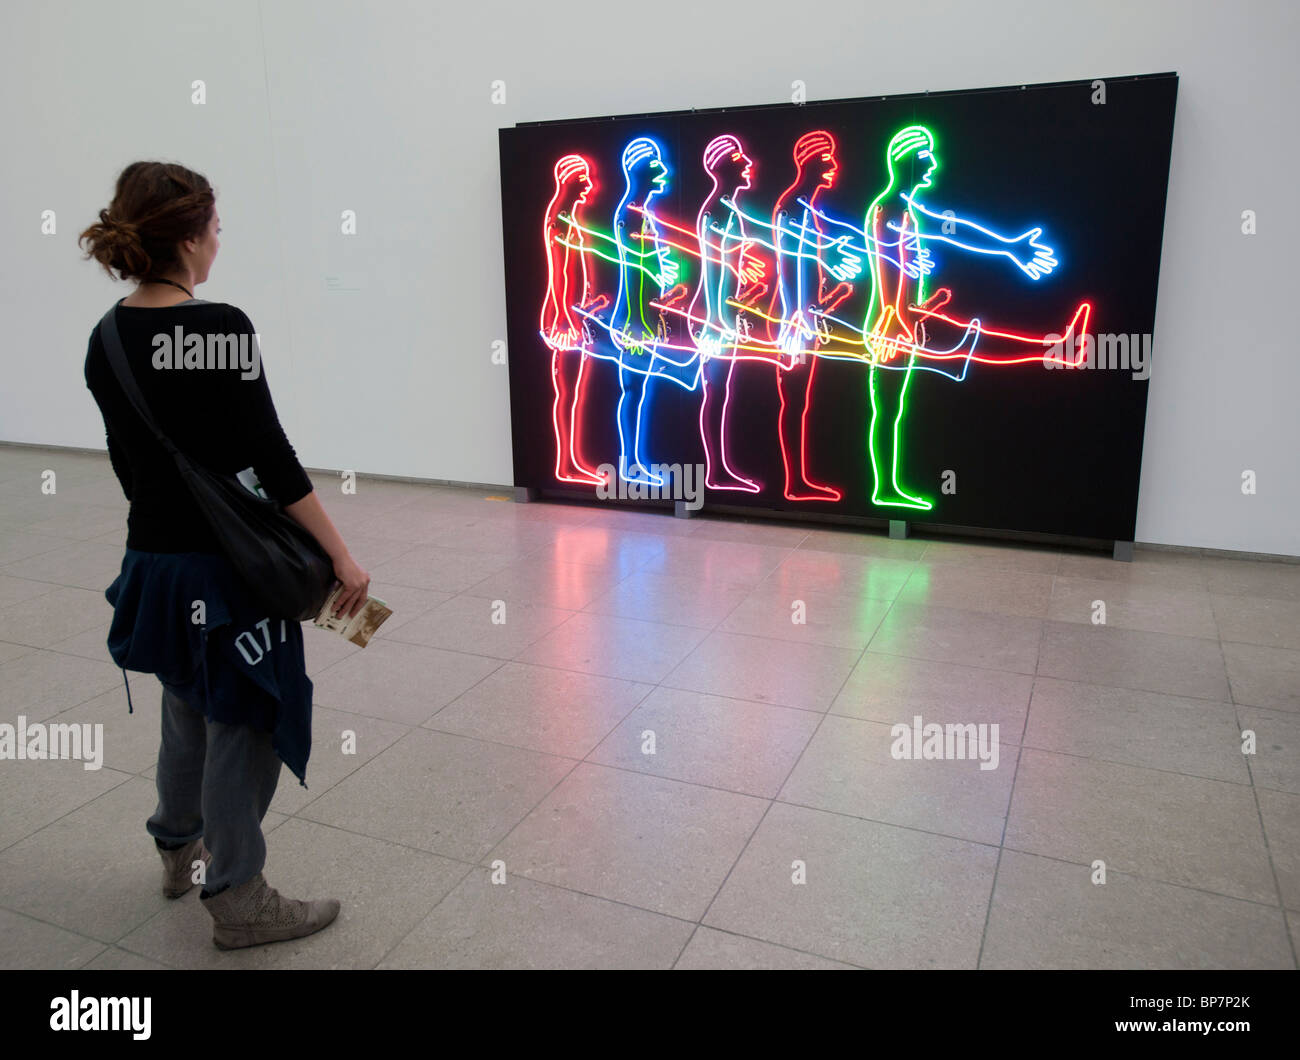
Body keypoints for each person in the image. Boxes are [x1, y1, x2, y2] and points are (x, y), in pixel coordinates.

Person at [79, 161, 369, 950]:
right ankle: (237, 892)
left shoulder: (105, 340)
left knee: (187, 706)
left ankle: (178, 847)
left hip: (155, 566)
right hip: (227, 573)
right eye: (215, 227)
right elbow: (271, 460)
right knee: (247, 719)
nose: (219, 241)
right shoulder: (220, 328)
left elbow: (128, 464)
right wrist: (339, 556)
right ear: (188, 237)